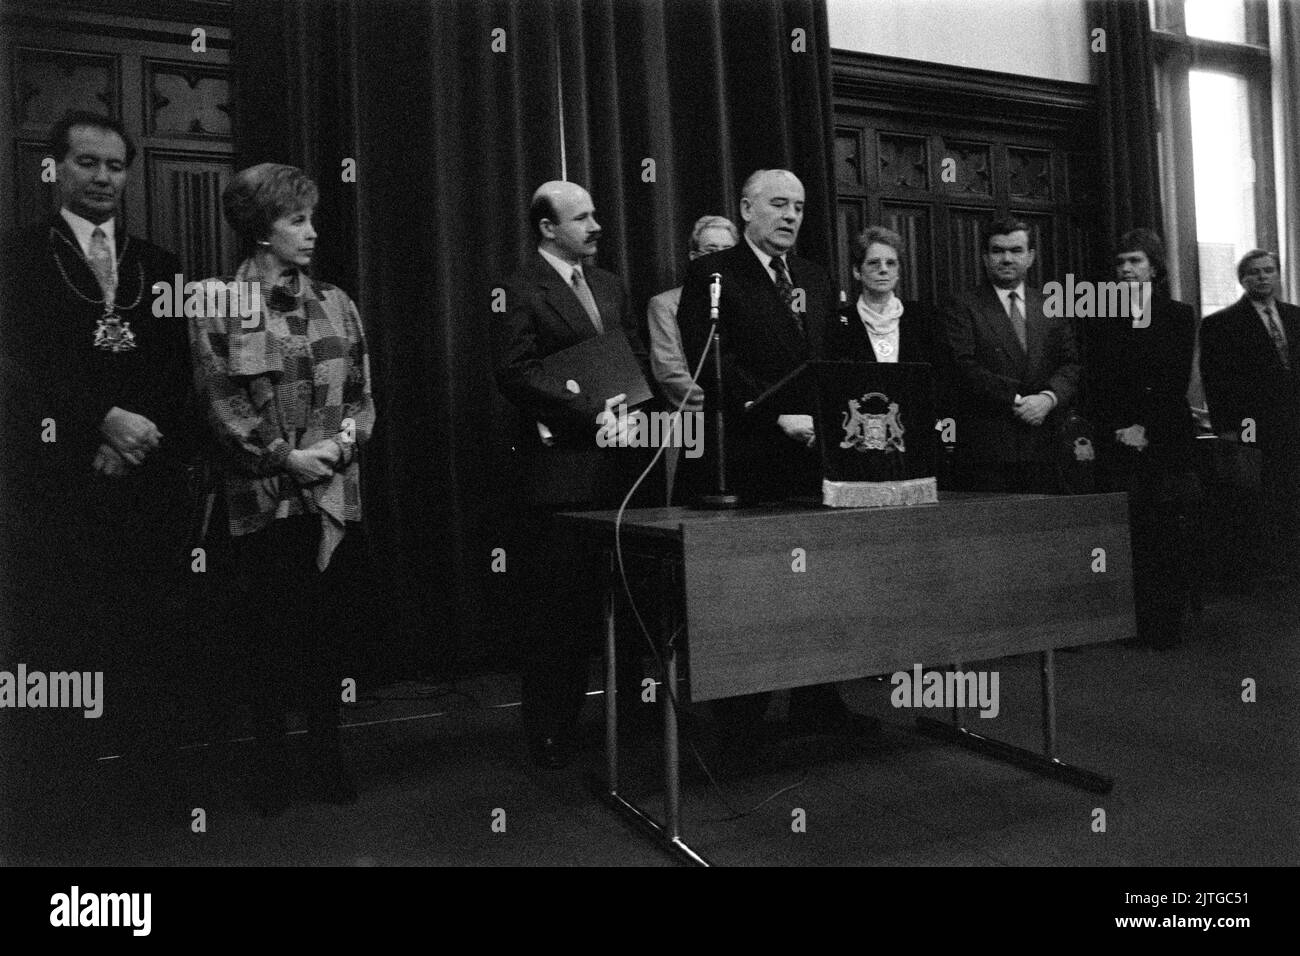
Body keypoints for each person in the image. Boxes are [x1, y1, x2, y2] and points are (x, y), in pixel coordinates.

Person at [0, 111, 195, 845]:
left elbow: (178, 368)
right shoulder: (16, 258)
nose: (104, 179)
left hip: (144, 486)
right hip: (59, 490)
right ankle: (65, 812)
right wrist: (99, 423)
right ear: (55, 169)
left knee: (149, 645)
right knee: (65, 649)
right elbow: (21, 368)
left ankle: (152, 799)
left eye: (116, 166)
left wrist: (133, 433)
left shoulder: (161, 263)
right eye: (88, 163)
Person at [188, 163, 375, 815]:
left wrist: (340, 447)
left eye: (311, 217)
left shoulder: (338, 301)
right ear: (261, 231)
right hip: (260, 503)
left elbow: (363, 397)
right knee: (265, 638)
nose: (313, 232)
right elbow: (219, 404)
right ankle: (269, 765)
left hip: (330, 496)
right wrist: (282, 458)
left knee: (326, 636)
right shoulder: (216, 300)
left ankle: (326, 754)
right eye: (297, 219)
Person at [677, 168, 874, 746]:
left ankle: (818, 698)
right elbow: (708, 361)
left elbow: (836, 359)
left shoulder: (813, 275)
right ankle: (742, 713)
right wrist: (772, 416)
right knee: (754, 587)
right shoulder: (713, 274)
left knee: (820, 581)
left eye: (800, 206)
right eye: (780, 204)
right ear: (746, 209)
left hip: (814, 458)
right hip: (749, 455)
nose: (792, 216)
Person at [492, 180, 651, 770]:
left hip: (619, 467)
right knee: (557, 611)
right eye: (581, 218)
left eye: (595, 215)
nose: (595, 226)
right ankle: (551, 729)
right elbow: (514, 372)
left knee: (626, 598)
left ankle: (633, 716)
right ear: (547, 228)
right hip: (558, 473)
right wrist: (590, 411)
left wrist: (633, 412)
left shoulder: (609, 284)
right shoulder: (514, 288)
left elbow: (630, 353)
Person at [1088, 229, 1199, 647]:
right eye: (1120, 263)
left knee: (1165, 532)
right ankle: (1130, 623)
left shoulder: (1177, 314)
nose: (1126, 269)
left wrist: (1144, 429)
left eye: (1135, 261)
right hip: (1116, 438)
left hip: (1165, 436)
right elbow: (1099, 381)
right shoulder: (1103, 318)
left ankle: (1165, 625)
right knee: (1128, 533)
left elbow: (1172, 381)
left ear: (1154, 267)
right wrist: (1119, 428)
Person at [942, 217, 1081, 493]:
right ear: (985, 257)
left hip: (1046, 447)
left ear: (1030, 257)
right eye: (997, 251)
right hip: (990, 451)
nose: (1006, 259)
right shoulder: (962, 306)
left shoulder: (1050, 304)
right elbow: (962, 367)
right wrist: (1019, 401)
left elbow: (1071, 364)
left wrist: (1046, 399)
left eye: (1016, 251)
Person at [1199, 250, 1300, 576]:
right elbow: (1214, 380)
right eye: (1254, 272)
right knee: (1258, 498)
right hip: (1252, 424)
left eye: (1269, 270)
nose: (1262, 277)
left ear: (1278, 274)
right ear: (1243, 279)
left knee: (1292, 493)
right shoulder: (1221, 323)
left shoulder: (1296, 316)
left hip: (1294, 422)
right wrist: (1226, 428)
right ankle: (1264, 569)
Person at [646, 215, 738, 501]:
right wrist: (733, 406)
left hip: (746, 433)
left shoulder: (749, 305)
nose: (721, 258)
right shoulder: (665, 305)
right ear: (694, 257)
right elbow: (671, 375)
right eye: (712, 251)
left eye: (728, 251)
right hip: (694, 428)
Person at [823, 225, 941, 366]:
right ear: (857, 271)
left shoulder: (924, 317)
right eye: (874, 263)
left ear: (898, 272)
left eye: (890, 263)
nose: (883, 269)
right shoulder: (838, 323)